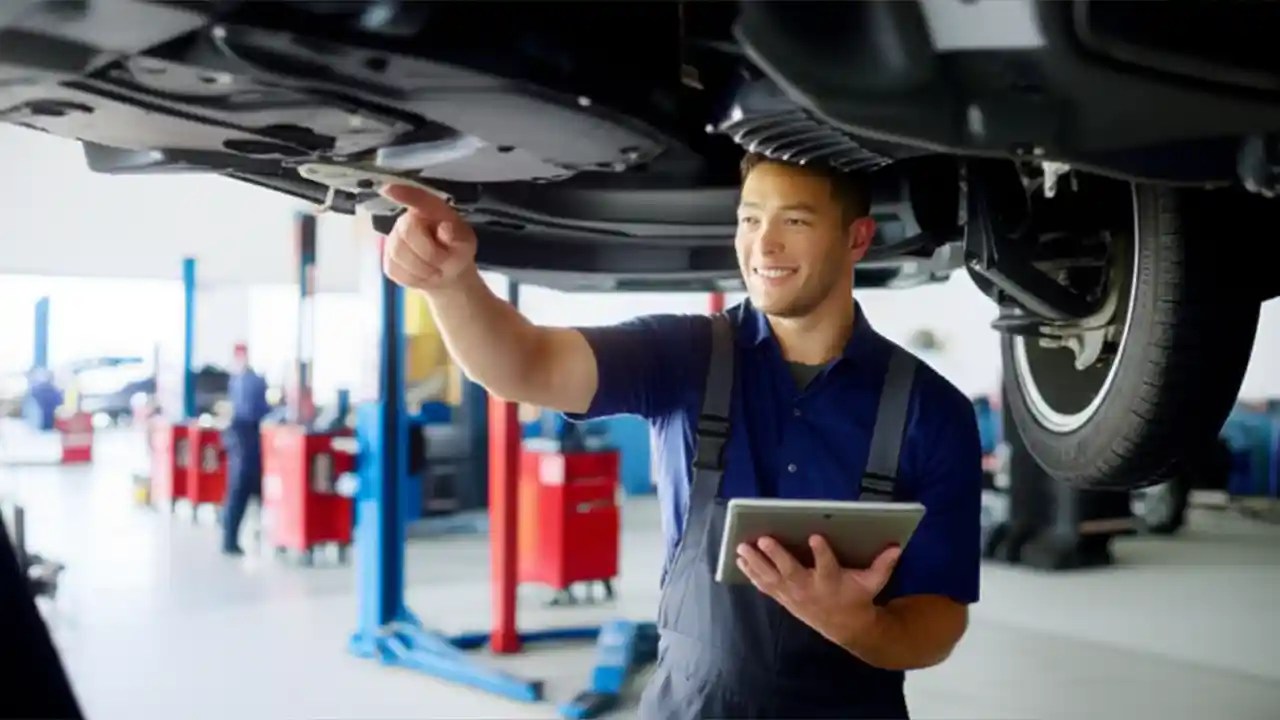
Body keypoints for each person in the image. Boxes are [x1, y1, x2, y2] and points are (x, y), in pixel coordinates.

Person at [379, 153, 983, 719]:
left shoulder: (931, 410)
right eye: (750, 219)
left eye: (794, 221)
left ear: (857, 238)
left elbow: (941, 618)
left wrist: (863, 628)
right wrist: (451, 285)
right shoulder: (687, 354)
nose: (763, 245)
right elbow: (527, 367)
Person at [222, 343, 270, 556]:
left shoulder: (237, 379)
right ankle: (231, 539)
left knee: (241, 490)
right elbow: (257, 411)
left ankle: (232, 538)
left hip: (241, 437)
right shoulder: (251, 381)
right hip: (247, 438)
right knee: (242, 489)